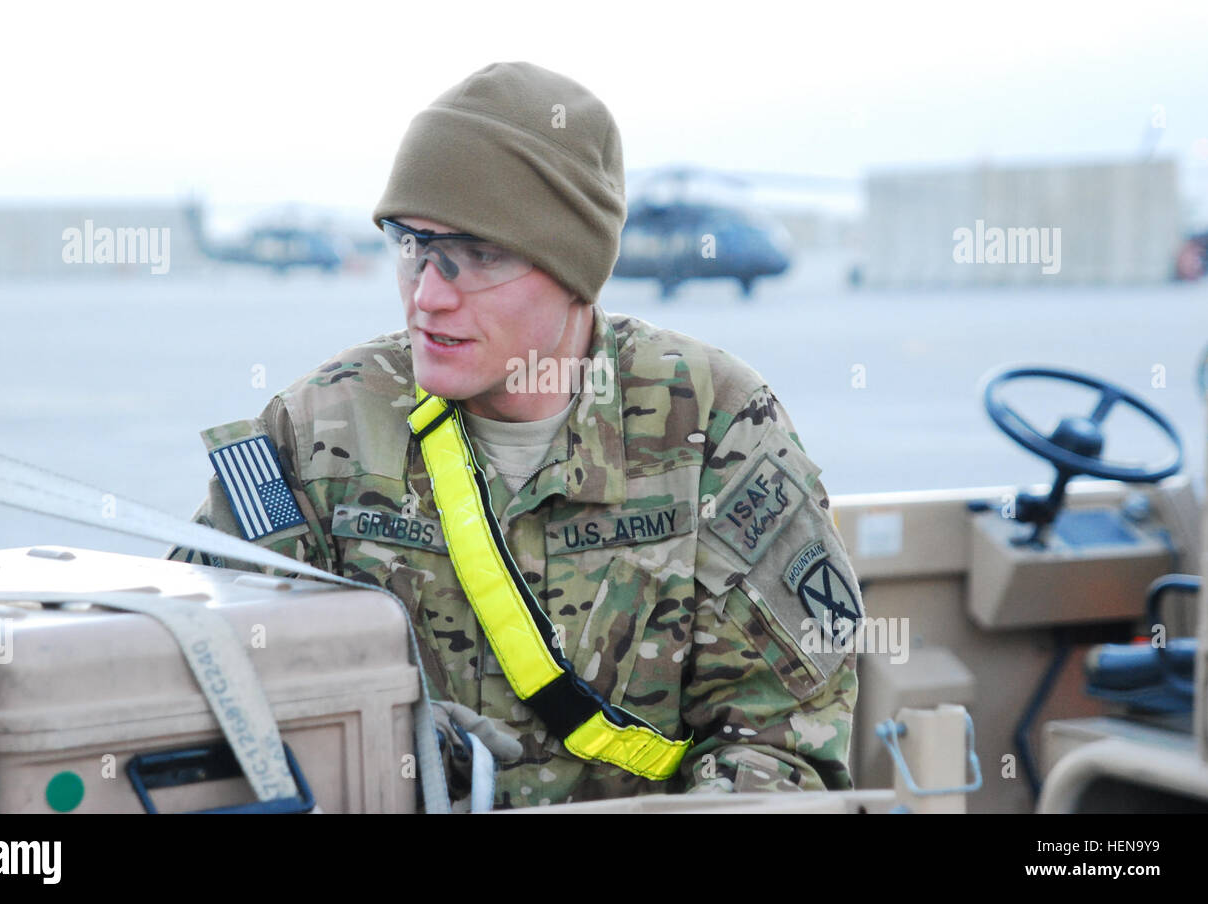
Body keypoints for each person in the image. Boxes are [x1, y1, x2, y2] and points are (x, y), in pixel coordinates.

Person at [167, 61, 863, 809]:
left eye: (479, 255)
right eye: (411, 246)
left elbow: (781, 750)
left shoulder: (713, 423)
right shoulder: (317, 428)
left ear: (574, 270)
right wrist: (379, 730)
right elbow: (200, 680)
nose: (428, 296)